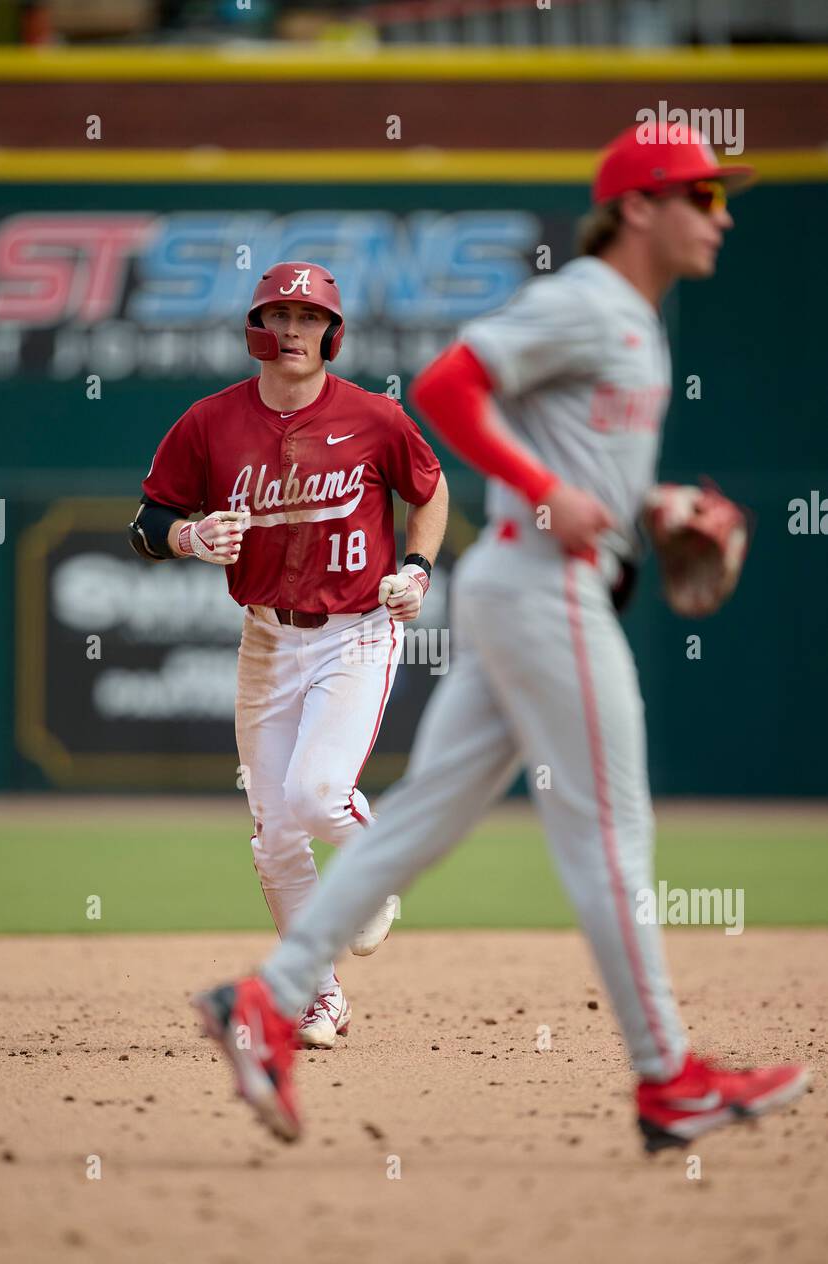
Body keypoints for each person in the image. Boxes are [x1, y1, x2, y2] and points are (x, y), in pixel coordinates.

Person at [192, 130, 809, 1149]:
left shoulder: (634, 322)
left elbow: (573, 469)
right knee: (610, 835)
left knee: (418, 817)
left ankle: (267, 1003)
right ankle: (667, 1080)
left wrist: (646, 505)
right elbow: (442, 389)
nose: (722, 214)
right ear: (639, 208)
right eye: (701, 195)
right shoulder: (588, 301)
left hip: (531, 580)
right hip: (543, 593)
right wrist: (546, 491)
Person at [129, 261, 447, 1046]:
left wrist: (417, 567)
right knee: (274, 834)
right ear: (257, 329)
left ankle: (375, 872)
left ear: (332, 333)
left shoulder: (375, 417)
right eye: (280, 315)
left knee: (314, 797)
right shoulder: (210, 422)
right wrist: (189, 536)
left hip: (355, 631)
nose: (294, 330)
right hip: (267, 638)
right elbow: (148, 521)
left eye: (309, 317)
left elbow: (430, 489)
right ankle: (317, 993)